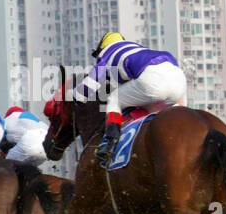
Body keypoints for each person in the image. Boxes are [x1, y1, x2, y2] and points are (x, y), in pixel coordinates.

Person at [75, 32, 186, 167]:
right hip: (179, 82)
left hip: (153, 82)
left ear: (102, 48)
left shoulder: (107, 55)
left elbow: (89, 86)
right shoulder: (138, 49)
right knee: (154, 112)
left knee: (114, 99)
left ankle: (110, 142)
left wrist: (78, 97)